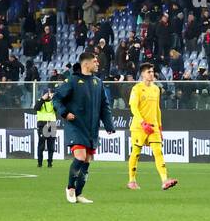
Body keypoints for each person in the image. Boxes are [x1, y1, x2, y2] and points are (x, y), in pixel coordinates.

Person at [53, 52, 115, 204]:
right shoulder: (72, 80)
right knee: (80, 157)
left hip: (91, 128)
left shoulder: (98, 82)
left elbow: (104, 106)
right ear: (86, 64)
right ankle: (70, 188)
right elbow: (56, 98)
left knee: (87, 161)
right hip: (75, 126)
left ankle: (79, 193)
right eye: (95, 61)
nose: (98, 63)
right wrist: (65, 113)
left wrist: (109, 124)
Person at [127, 63, 178, 192]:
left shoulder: (156, 89)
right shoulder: (136, 89)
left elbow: (157, 109)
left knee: (158, 152)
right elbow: (134, 107)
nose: (152, 74)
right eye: (149, 72)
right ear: (143, 74)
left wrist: (160, 128)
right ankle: (132, 180)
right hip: (139, 127)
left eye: (152, 71)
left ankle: (164, 180)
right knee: (136, 152)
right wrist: (142, 122)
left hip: (153, 126)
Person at [34, 85, 58, 168]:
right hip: (42, 124)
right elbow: (36, 108)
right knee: (41, 144)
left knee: (51, 145)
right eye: (47, 93)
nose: (49, 95)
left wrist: (54, 99)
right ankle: (40, 162)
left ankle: (50, 163)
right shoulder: (39, 101)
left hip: (52, 124)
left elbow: (57, 109)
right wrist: (42, 99)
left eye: (50, 93)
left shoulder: (53, 101)